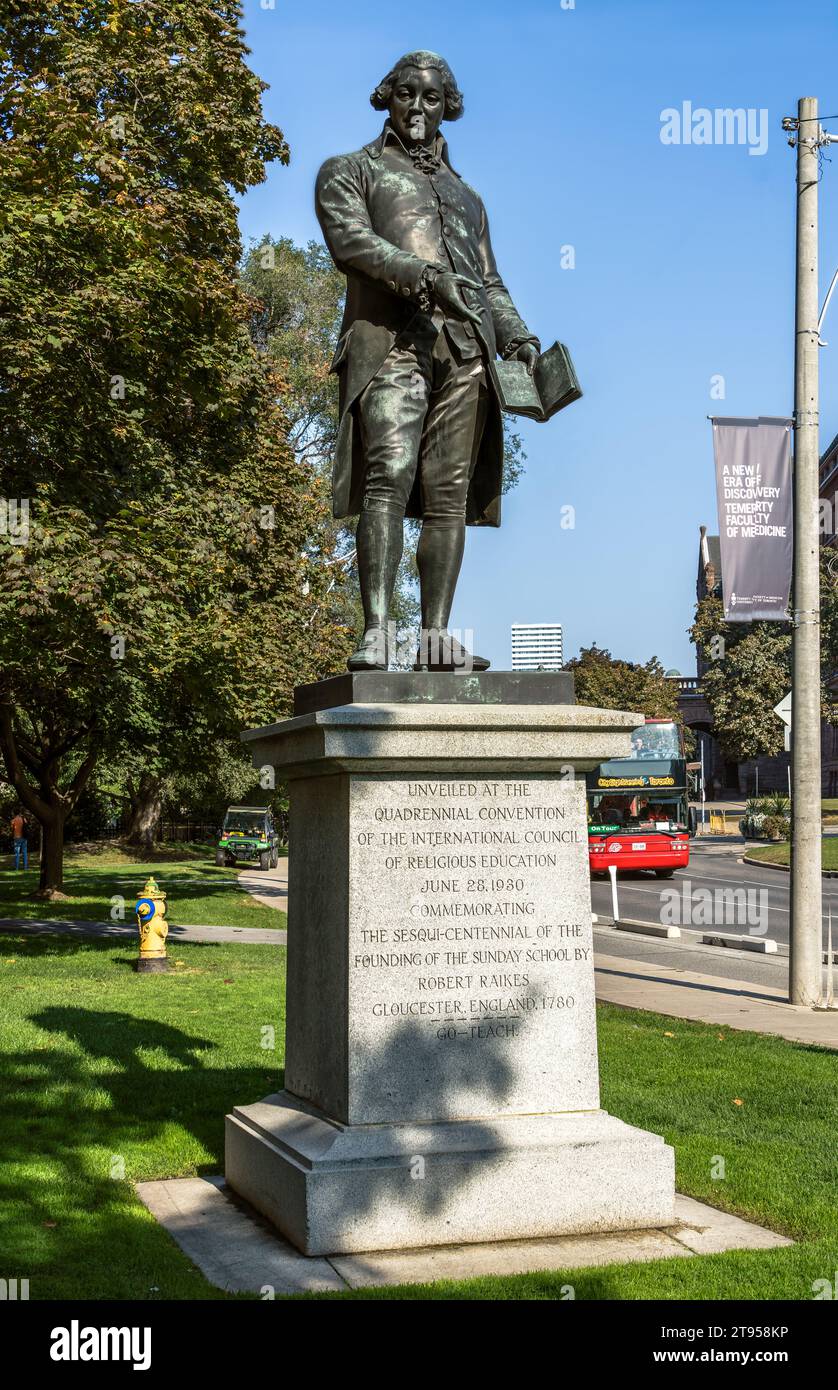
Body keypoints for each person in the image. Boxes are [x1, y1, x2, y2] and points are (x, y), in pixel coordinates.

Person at [315, 50, 542, 671]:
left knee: (449, 494)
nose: (418, 107)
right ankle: (377, 632)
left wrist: (517, 336)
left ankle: (435, 638)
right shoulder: (348, 171)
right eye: (407, 94)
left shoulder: (468, 196)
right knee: (388, 472)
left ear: (449, 106)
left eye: (432, 97)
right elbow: (351, 244)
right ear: (387, 96)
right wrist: (426, 278)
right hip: (392, 342)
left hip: (466, 352)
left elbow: (489, 283)